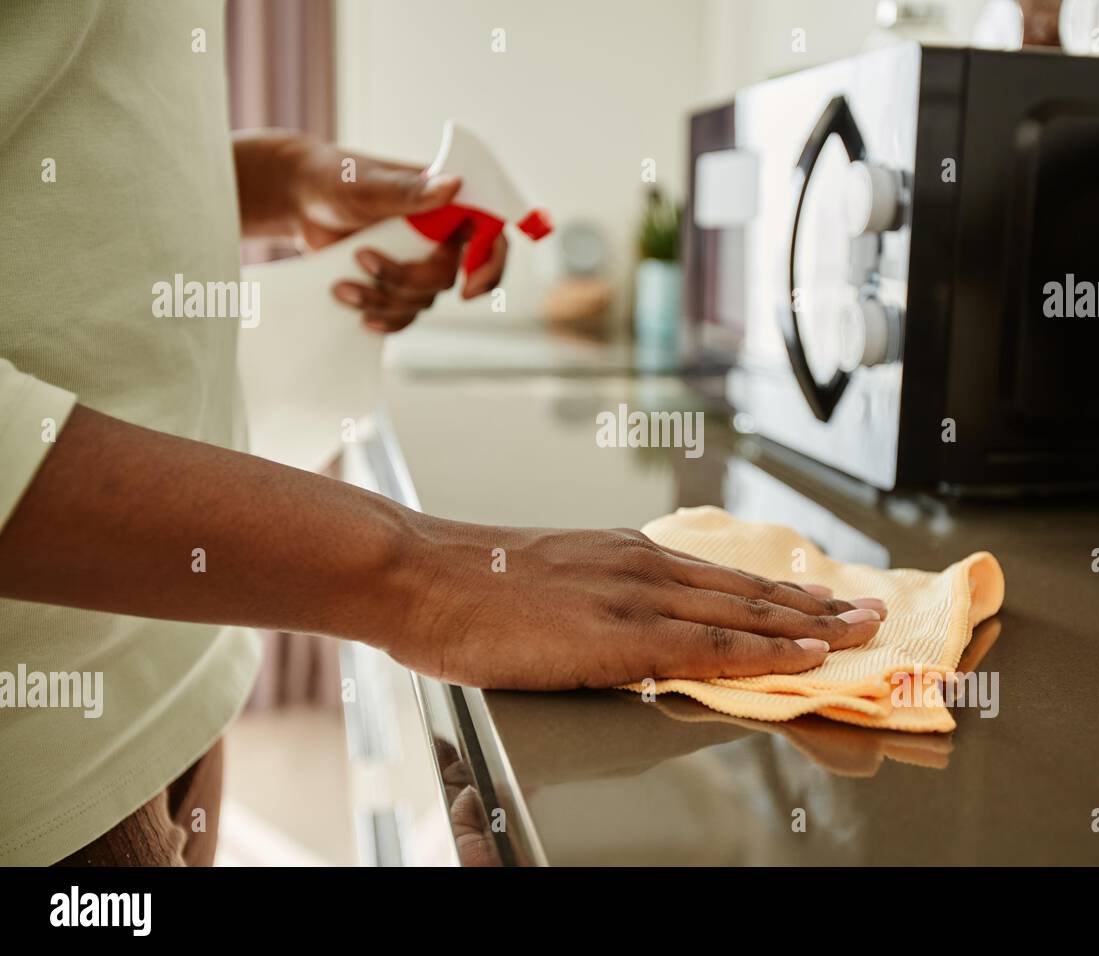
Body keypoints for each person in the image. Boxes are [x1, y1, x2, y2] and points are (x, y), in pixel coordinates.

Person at [0, 1, 884, 866]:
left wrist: (287, 174)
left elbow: (73, 125)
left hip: (171, 679)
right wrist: (417, 574)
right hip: (40, 770)